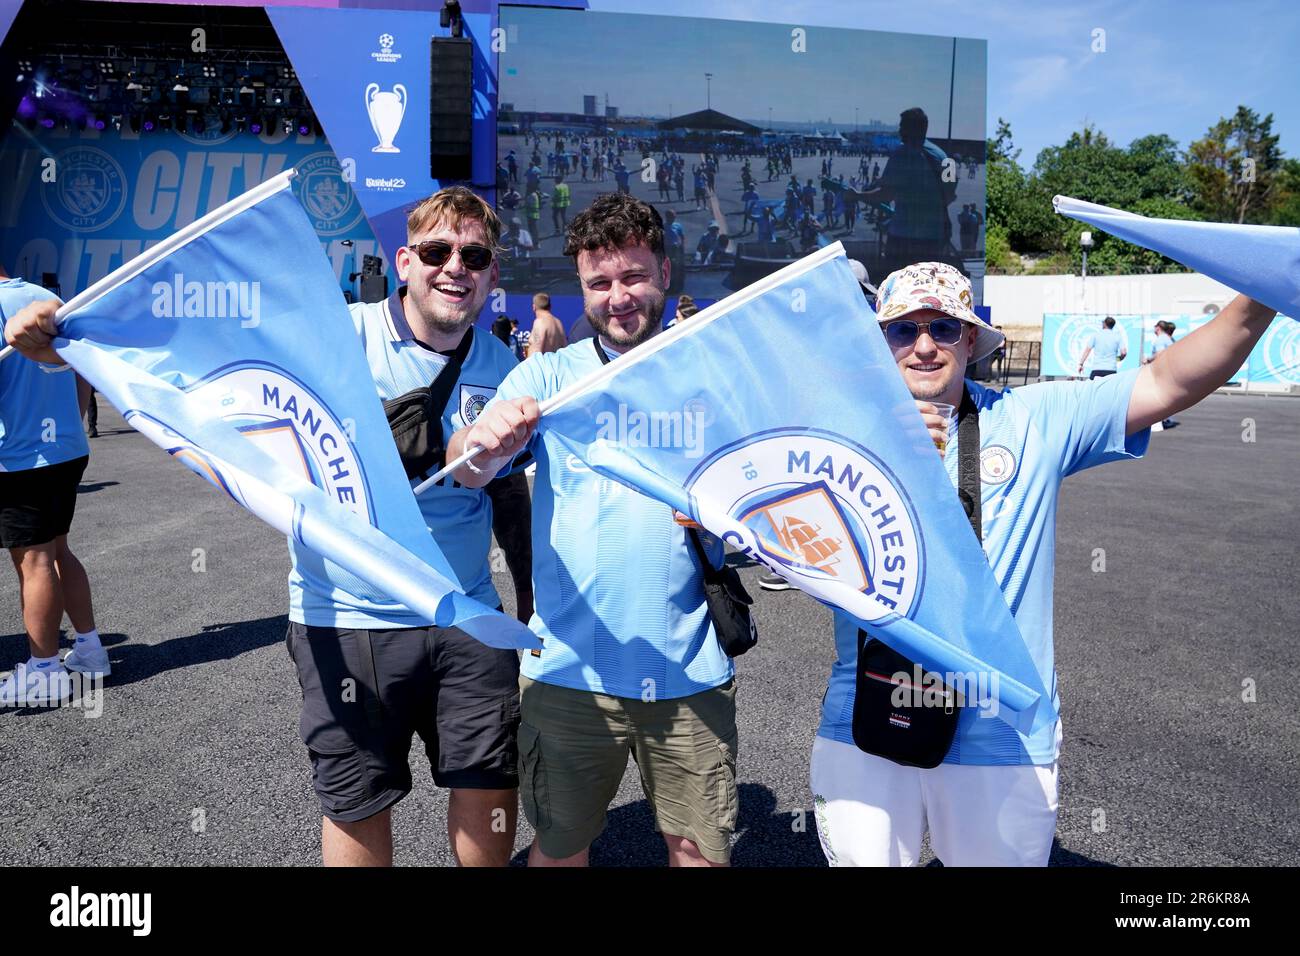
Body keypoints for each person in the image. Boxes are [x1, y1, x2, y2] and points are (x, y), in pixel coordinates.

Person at [810, 261, 1278, 866]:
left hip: (1002, 732)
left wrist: (1267, 285)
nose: (924, 346)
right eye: (904, 329)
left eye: (943, 328)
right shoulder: (839, 436)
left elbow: (1166, 382)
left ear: (971, 338)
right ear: (882, 341)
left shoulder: (1034, 419)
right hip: (867, 716)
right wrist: (890, 465)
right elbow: (799, 557)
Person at [445, 192, 739, 868]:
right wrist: (480, 438)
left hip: (687, 668)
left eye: (633, 276)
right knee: (559, 852)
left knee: (699, 854)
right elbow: (470, 467)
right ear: (581, 289)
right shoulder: (550, 376)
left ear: (664, 272)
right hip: (569, 672)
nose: (618, 297)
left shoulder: (713, 374)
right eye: (598, 283)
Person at [0, 269, 106, 705]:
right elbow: (86, 368)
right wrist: (73, 424)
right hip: (64, 449)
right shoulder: (44, 296)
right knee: (57, 550)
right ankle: (89, 649)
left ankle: (43, 670)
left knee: (34, 562)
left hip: (20, 457)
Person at [855, 108, 955, 268]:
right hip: (935, 237)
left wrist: (858, 196)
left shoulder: (901, 155)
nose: (900, 130)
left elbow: (886, 195)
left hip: (904, 237)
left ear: (912, 129)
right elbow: (950, 195)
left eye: (903, 126)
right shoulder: (944, 157)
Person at [526, 292, 567, 357]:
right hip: (554, 365)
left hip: (540, 366)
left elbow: (536, 351)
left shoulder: (540, 322)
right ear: (550, 306)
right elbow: (565, 348)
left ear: (534, 307)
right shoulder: (558, 322)